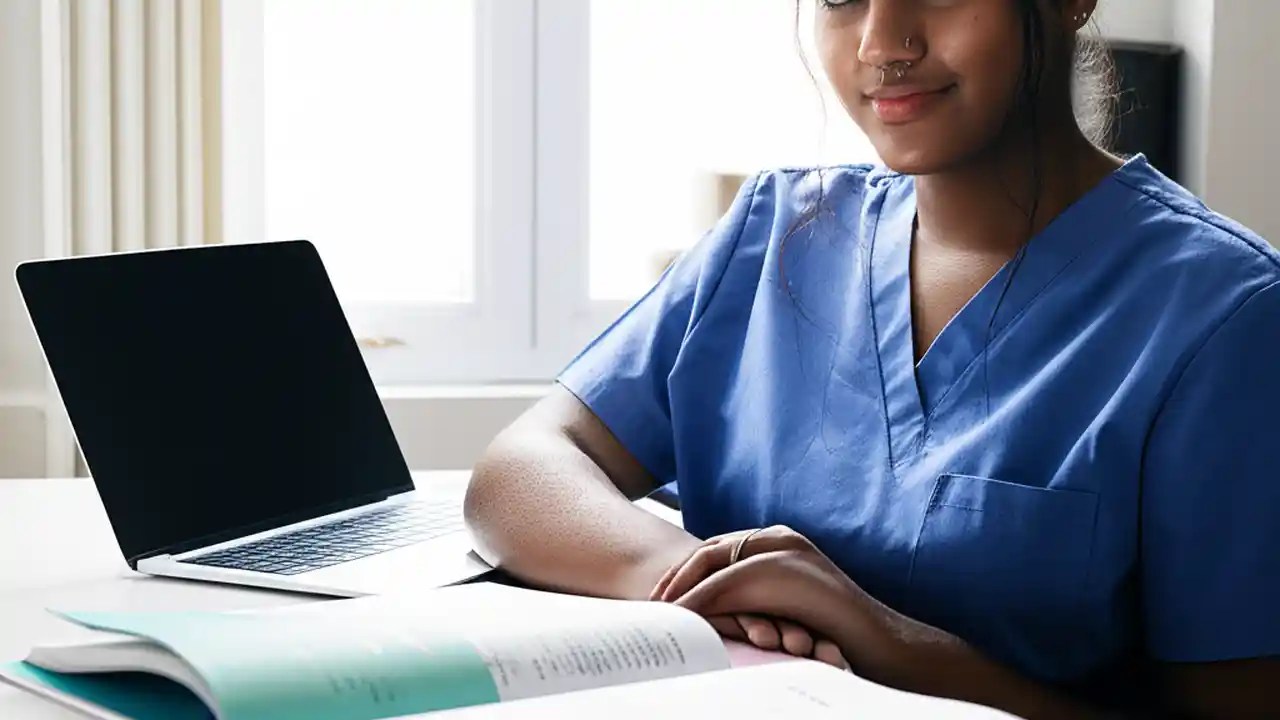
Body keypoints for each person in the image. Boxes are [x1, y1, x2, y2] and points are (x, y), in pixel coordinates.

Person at [464, 0, 1280, 716]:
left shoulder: (1224, 315)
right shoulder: (775, 230)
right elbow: (521, 468)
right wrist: (718, 580)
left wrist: (880, 636)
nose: (882, 42)